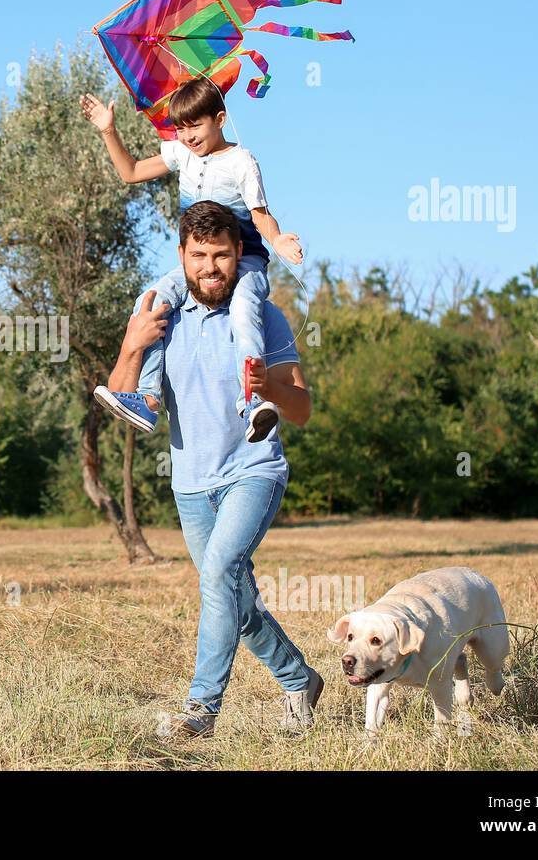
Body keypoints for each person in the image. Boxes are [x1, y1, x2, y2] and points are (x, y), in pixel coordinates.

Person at [105, 199, 322, 736]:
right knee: (234, 597)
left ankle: (200, 712)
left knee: (220, 574)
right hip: (191, 483)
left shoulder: (264, 317)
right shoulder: (160, 314)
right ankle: (300, 681)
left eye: (221, 255)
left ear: (239, 254)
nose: (210, 267)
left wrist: (267, 385)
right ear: (182, 256)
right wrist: (132, 344)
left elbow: (302, 409)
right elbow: (126, 402)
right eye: (198, 255)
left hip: (254, 470)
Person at [82, 79, 302, 442]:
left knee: (244, 310)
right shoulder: (180, 153)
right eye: (180, 127)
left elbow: (261, 214)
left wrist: (277, 239)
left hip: (242, 264)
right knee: (149, 302)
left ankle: (252, 401)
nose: (187, 135)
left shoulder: (241, 161)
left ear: (219, 118)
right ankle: (149, 399)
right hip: (197, 267)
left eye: (194, 125)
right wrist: (108, 130)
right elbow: (131, 173)